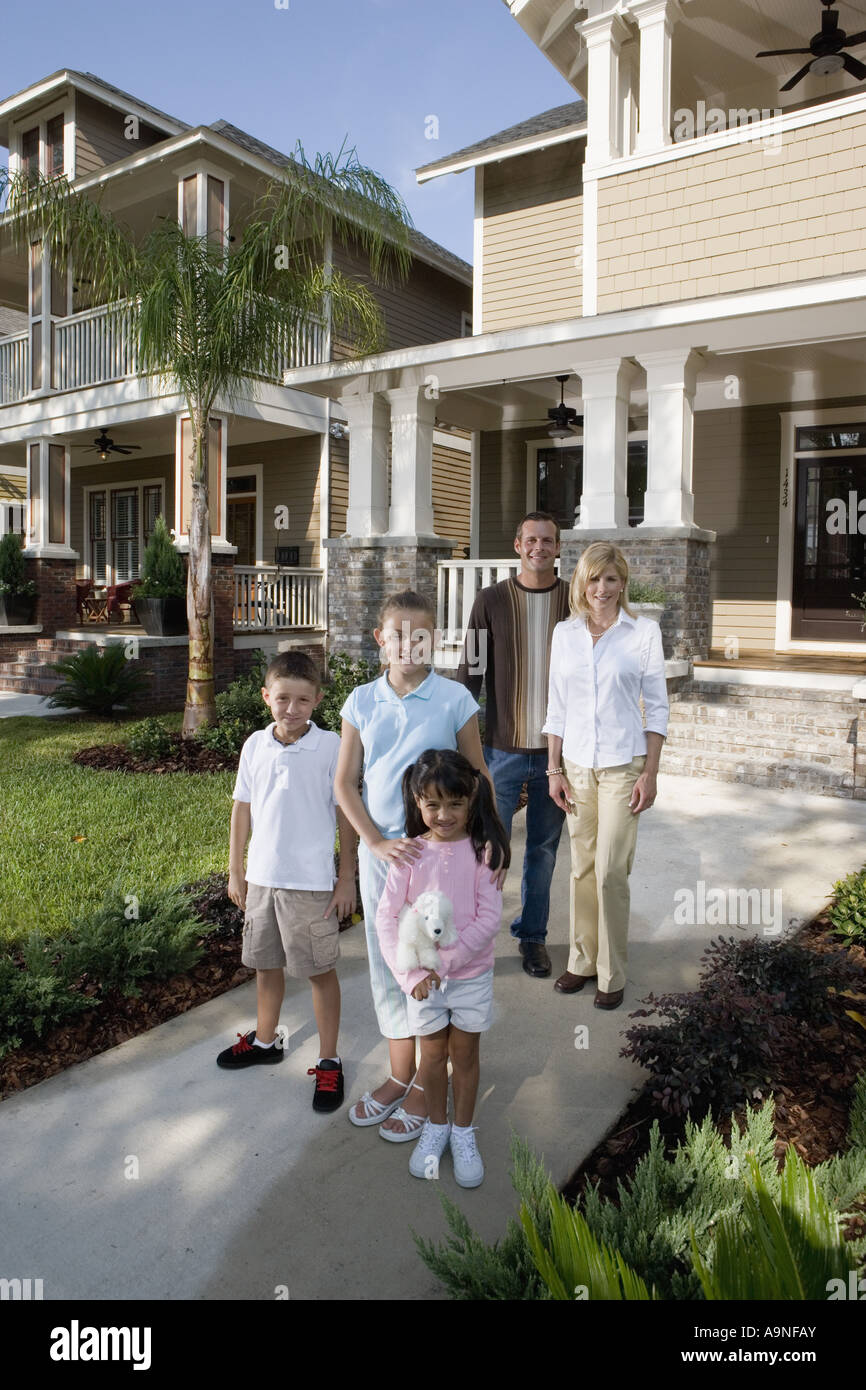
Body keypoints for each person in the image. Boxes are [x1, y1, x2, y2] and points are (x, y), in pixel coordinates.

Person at [335, 591, 500, 1141]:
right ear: (380, 640)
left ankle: (433, 1083)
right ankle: (400, 1074)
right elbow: (344, 783)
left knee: (439, 960)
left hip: (440, 861)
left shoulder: (454, 699)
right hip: (385, 856)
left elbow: (477, 774)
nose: (410, 644)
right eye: (398, 634)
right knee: (390, 968)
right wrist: (374, 846)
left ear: (435, 640)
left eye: (421, 635)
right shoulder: (360, 700)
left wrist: (493, 843)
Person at [217, 651, 357, 1113]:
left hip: (311, 884)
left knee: (319, 972)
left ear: (318, 699)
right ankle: (264, 1041)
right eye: (282, 698)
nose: (291, 708)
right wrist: (237, 869)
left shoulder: (332, 747)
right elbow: (242, 808)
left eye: (302, 699)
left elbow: (346, 815)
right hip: (261, 879)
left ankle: (329, 1060)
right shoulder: (254, 745)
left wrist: (345, 879)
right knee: (265, 965)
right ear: (266, 697)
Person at [544, 543, 668, 1010]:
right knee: (581, 867)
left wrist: (650, 772)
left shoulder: (643, 634)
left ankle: (612, 972)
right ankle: (580, 961)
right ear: (582, 582)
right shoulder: (565, 634)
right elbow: (557, 705)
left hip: (623, 765)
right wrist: (554, 767)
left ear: (623, 584)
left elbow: (656, 707)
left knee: (612, 871)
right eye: (594, 579)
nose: (602, 589)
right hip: (575, 765)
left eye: (611, 579)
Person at [375, 750, 508, 1186]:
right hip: (422, 985)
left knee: (464, 1055)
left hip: (469, 978)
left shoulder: (483, 852)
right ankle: (435, 1126)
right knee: (431, 1055)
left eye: (454, 803)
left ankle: (463, 1132)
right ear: (416, 801)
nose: (444, 814)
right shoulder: (409, 855)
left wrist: (442, 964)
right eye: (433, 804)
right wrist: (412, 976)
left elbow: (488, 919)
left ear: (471, 798)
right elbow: (386, 919)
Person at [456, 511, 571, 979]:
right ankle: (475, 937)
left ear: (558, 548)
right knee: (487, 847)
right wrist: (461, 747)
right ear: (518, 545)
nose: (539, 547)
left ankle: (533, 938)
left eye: (548, 540)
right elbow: (471, 672)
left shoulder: (574, 599)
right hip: (501, 752)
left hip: (557, 755)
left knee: (543, 850)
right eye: (531, 540)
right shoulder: (490, 601)